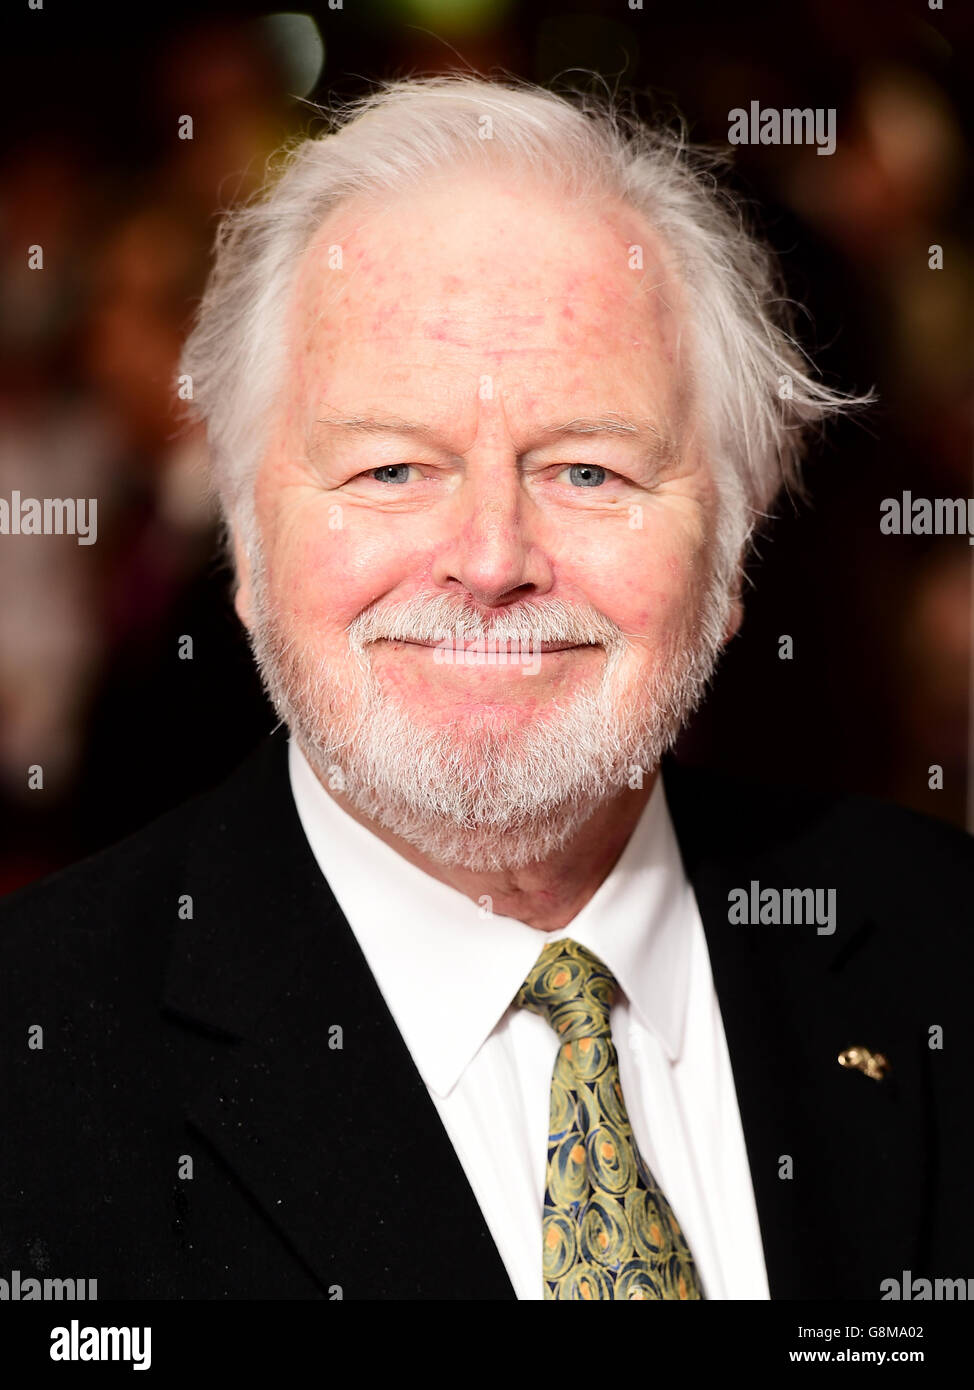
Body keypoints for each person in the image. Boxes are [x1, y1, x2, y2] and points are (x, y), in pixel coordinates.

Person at [1, 74, 971, 1302]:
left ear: (730, 552)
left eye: (587, 469)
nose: (492, 558)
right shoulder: (35, 1071)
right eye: (393, 467)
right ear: (245, 546)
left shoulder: (939, 947)